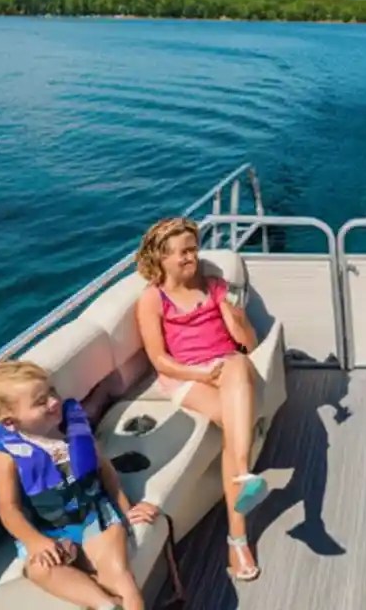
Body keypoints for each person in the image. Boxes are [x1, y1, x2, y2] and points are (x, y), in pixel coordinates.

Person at [133, 216, 267, 582]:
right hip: (187, 377)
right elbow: (160, 360)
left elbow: (247, 346)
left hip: (229, 368)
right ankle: (237, 537)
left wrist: (238, 319)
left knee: (236, 363)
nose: (191, 257)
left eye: (193, 249)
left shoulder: (214, 287)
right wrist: (199, 375)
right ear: (160, 257)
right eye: (182, 252)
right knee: (236, 433)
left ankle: (241, 491)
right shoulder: (152, 299)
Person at [0, 361, 158, 610]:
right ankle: (106, 605)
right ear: (9, 422)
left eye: (52, 391)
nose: (53, 402)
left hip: (93, 515)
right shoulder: (6, 450)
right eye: (40, 401)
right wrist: (35, 541)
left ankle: (116, 603)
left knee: (121, 578)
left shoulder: (73, 425)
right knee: (39, 570)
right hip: (48, 530)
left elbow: (104, 469)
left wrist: (126, 509)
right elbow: (8, 507)